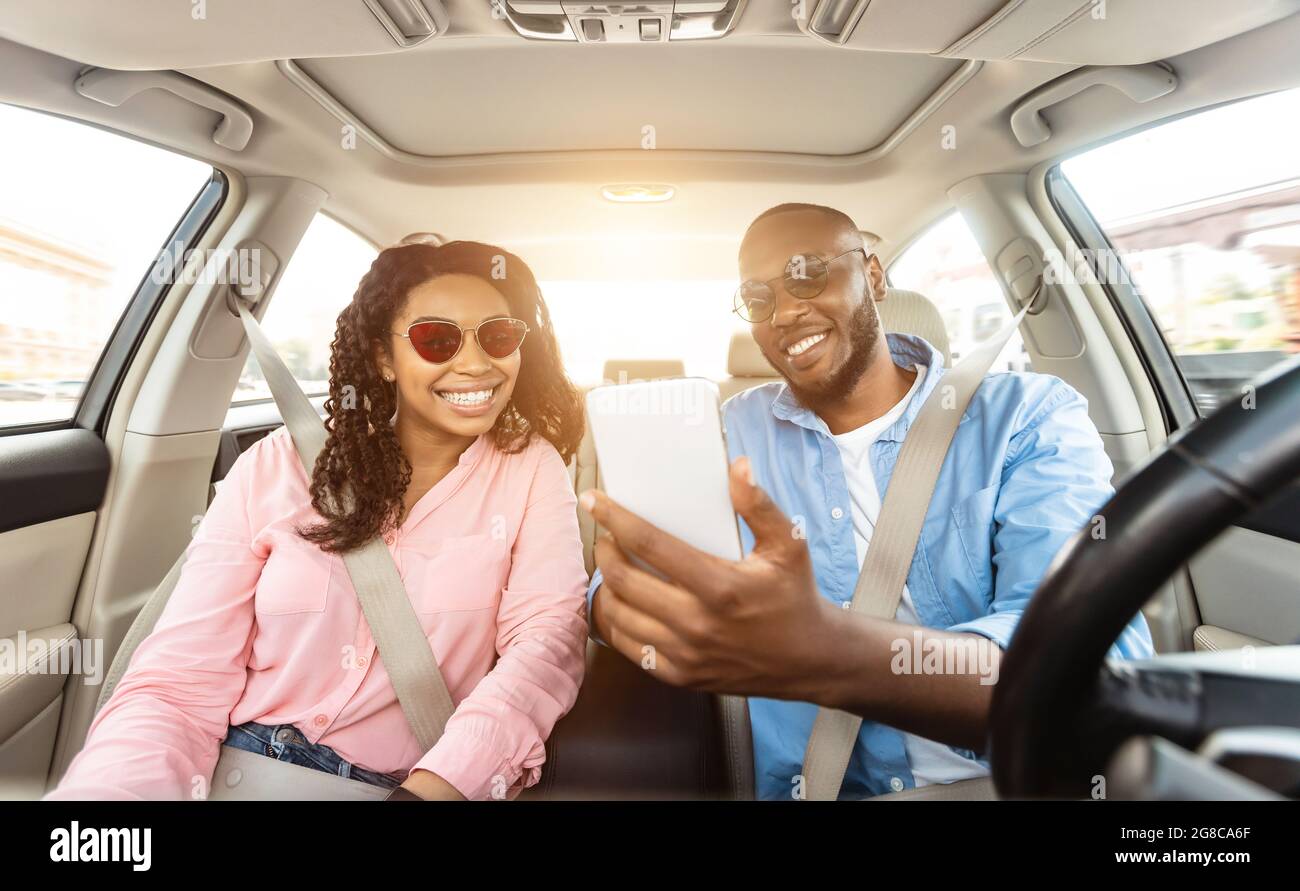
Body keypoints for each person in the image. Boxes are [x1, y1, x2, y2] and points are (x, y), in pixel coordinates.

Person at [582, 203, 1154, 800]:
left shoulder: (1023, 417)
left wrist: (821, 652)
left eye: (808, 272)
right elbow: (630, 577)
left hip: (1021, 781)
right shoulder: (728, 436)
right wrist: (609, 610)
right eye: (758, 298)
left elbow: (1082, 654)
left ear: (874, 276)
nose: (785, 311)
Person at [47, 240, 589, 801]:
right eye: (436, 339)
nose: (476, 363)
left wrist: (444, 784)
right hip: (229, 770)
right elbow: (178, 683)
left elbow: (546, 644)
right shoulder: (277, 465)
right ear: (384, 358)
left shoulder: (530, 469)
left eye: (498, 336)